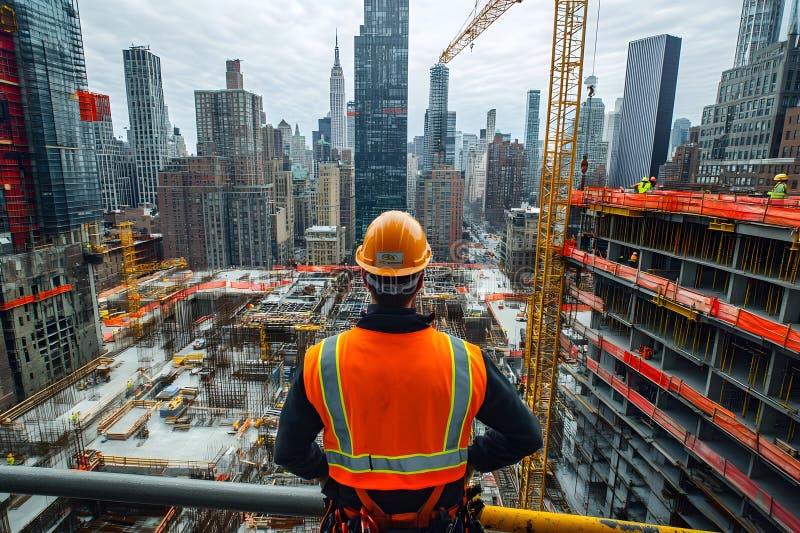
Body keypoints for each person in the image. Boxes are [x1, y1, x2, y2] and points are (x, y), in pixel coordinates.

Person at [275, 211, 542, 531]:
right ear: (421, 279)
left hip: (356, 522)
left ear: (364, 278)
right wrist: (473, 461)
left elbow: (288, 452)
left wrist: (328, 471)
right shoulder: (465, 362)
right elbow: (525, 435)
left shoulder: (322, 362)